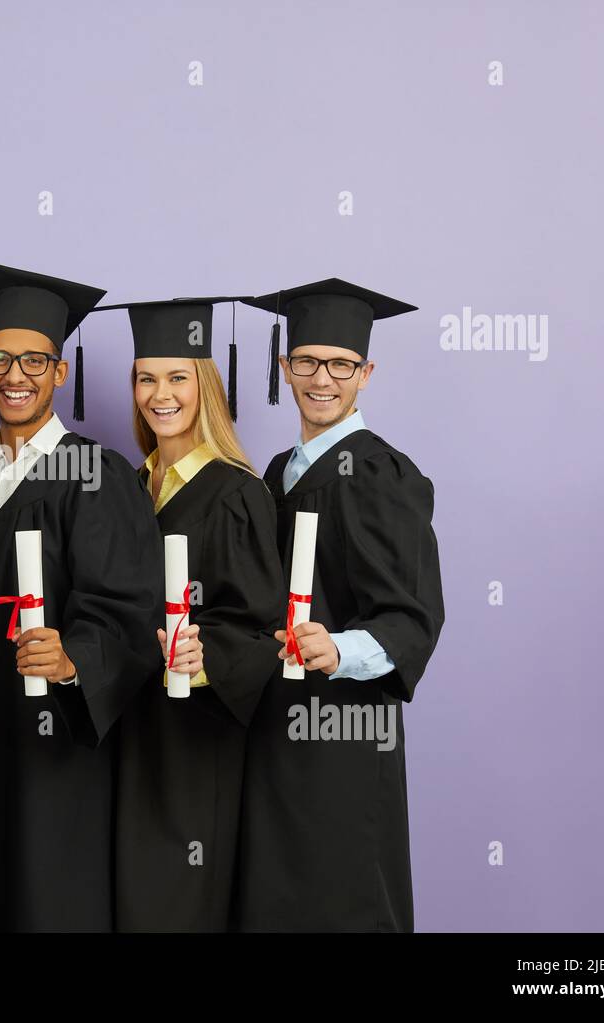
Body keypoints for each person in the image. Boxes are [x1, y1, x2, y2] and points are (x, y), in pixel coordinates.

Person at [0, 263, 164, 932]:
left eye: (35, 359)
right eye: (1, 359)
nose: (17, 374)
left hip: (58, 744)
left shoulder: (96, 474)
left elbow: (128, 604)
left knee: (50, 900)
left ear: (60, 373)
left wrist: (74, 658)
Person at [236, 278, 446, 932]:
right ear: (284, 367)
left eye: (340, 365)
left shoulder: (382, 472)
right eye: (306, 362)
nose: (321, 378)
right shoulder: (273, 474)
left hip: (346, 735)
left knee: (342, 898)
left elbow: (413, 613)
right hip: (272, 733)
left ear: (366, 373)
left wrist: (340, 648)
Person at [94, 297, 287, 931]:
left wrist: (208, 655)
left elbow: (261, 625)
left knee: (173, 903)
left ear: (206, 384)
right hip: (123, 728)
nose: (160, 394)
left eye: (178, 377)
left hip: (191, 739)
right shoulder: (127, 484)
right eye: (145, 378)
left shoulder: (237, 493)